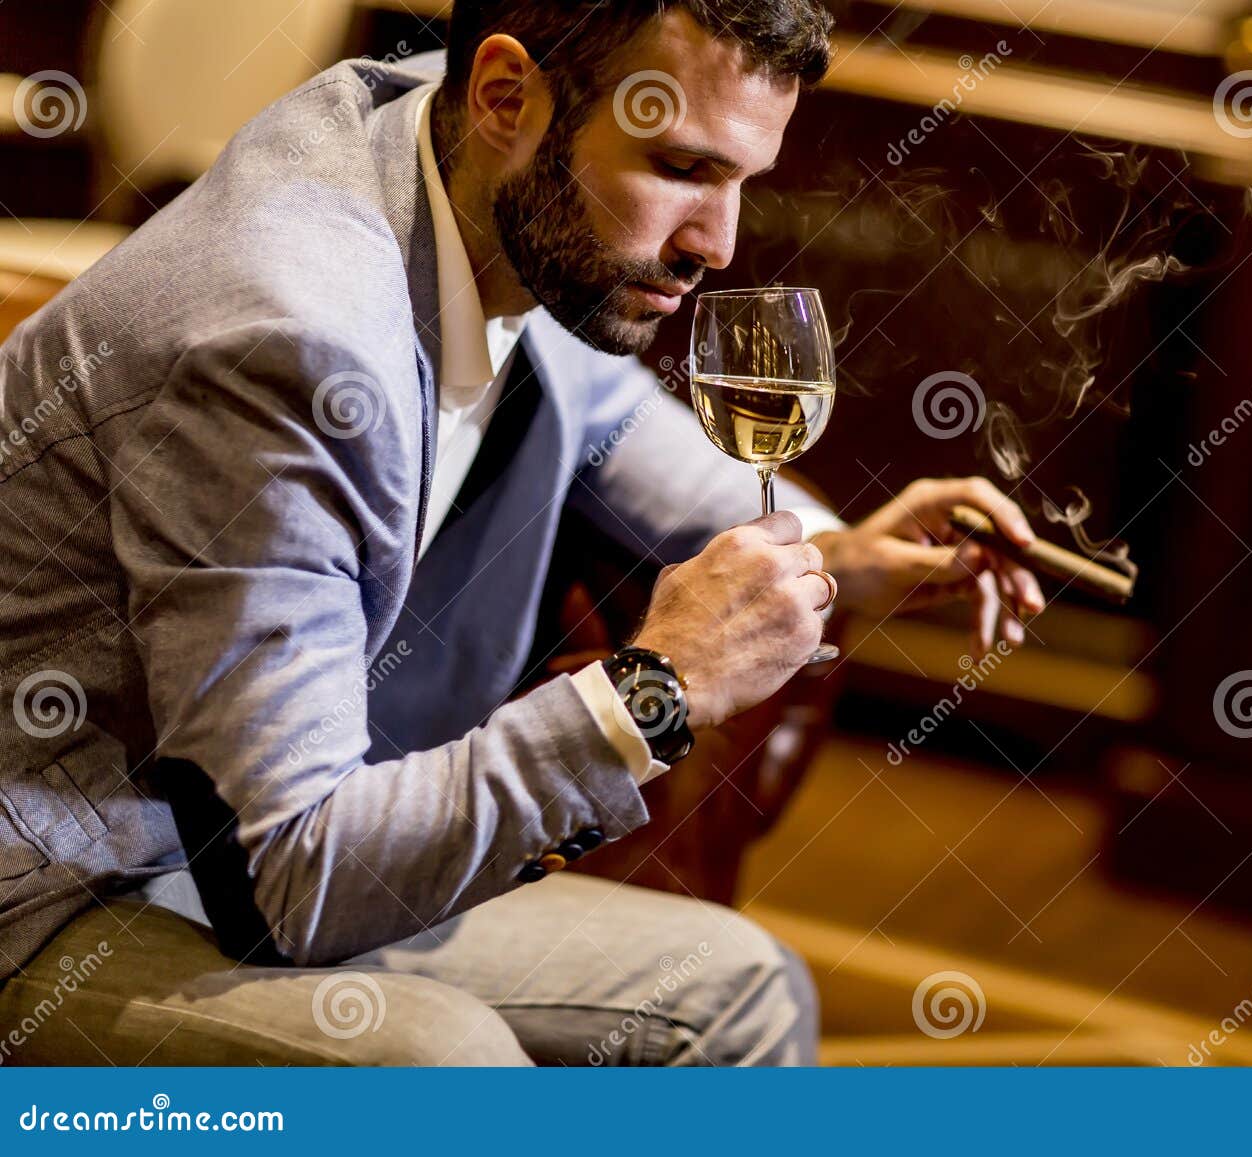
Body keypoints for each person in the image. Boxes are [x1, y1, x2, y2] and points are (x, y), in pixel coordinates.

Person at [0, 0, 1042, 1065]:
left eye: (741, 180)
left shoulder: (477, 166)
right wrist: (655, 687)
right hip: (54, 886)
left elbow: (605, 411)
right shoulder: (288, 344)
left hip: (215, 840)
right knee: (443, 1060)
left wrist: (838, 551)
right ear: (505, 96)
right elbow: (289, 882)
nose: (715, 246)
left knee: (738, 985)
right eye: (682, 168)